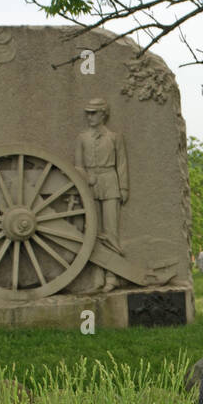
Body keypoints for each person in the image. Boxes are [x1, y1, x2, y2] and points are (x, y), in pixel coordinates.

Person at [74, 97, 129, 291]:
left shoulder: (114, 137)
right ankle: (97, 274)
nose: (90, 117)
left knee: (111, 231)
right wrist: (85, 177)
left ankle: (112, 276)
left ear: (103, 114)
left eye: (93, 113)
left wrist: (123, 188)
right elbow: (78, 165)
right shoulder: (82, 138)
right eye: (87, 113)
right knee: (93, 231)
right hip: (90, 183)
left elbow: (121, 164)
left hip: (109, 180)